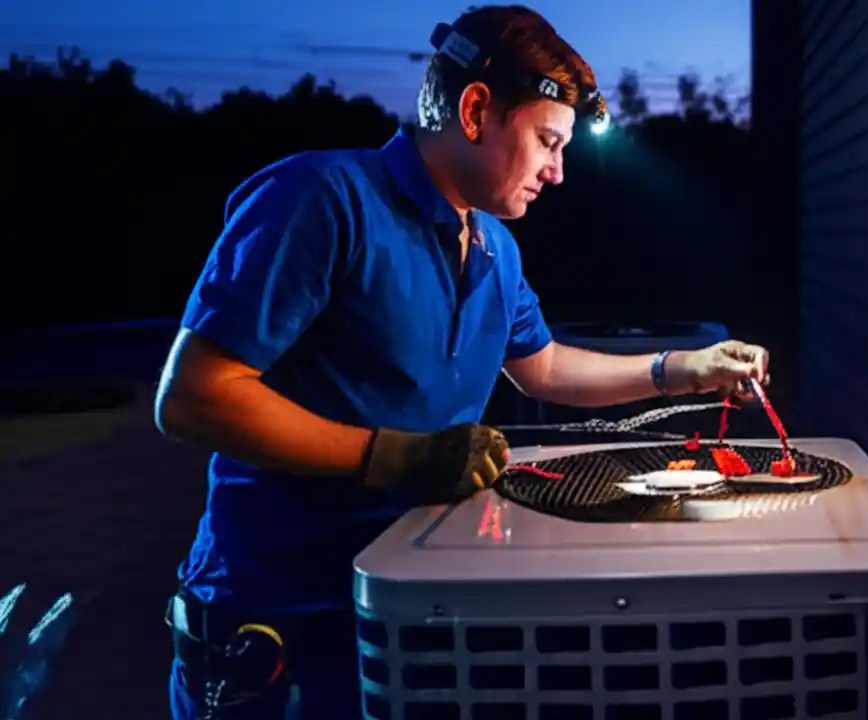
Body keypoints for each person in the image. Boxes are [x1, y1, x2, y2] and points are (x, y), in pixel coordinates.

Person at [153, 5, 770, 719]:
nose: (558, 172)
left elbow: (544, 369)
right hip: (276, 633)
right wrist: (389, 458)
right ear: (476, 109)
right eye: (547, 141)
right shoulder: (320, 199)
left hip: (413, 620)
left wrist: (686, 368)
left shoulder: (494, 250)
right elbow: (195, 396)